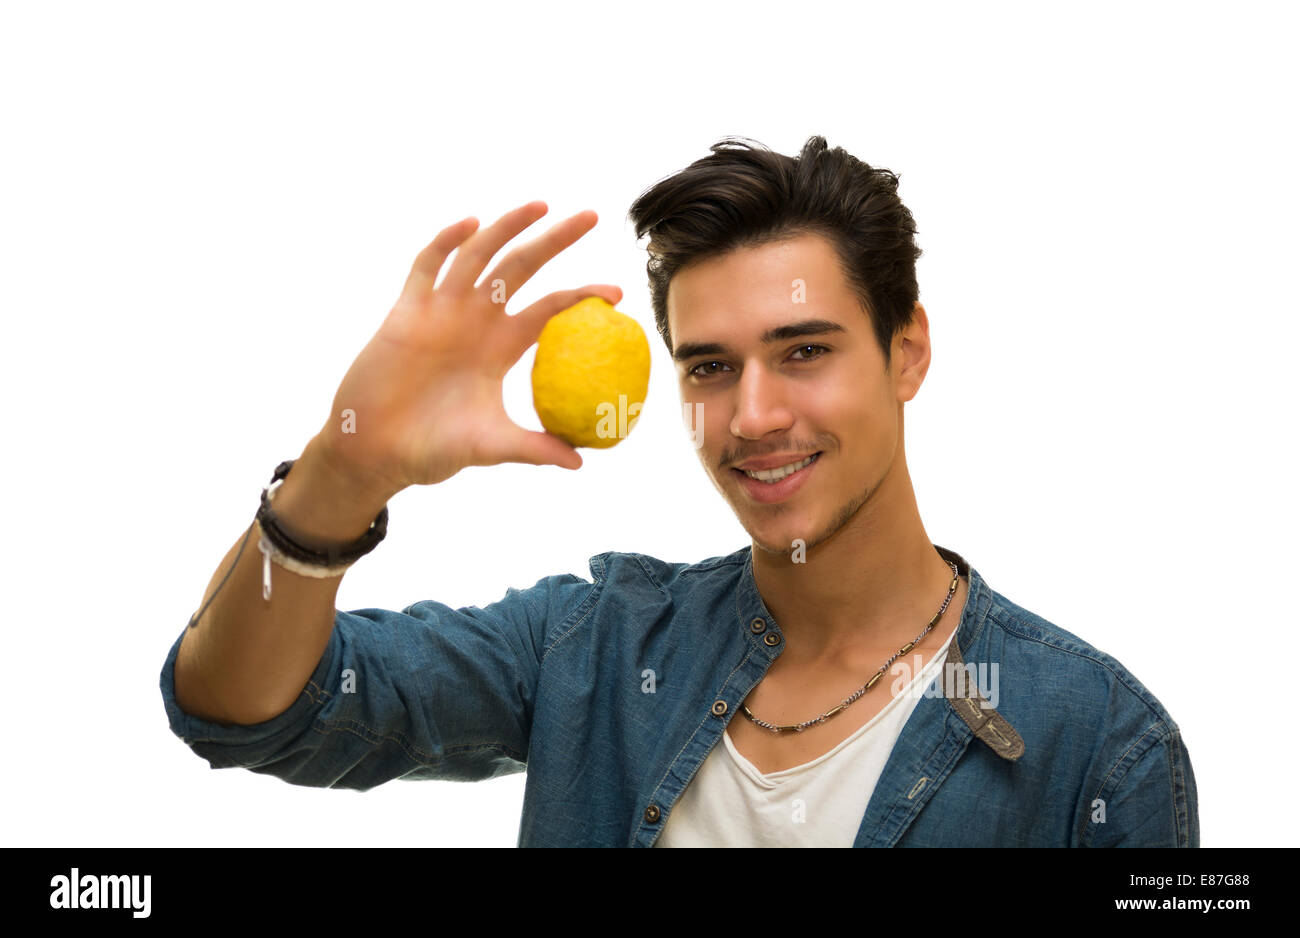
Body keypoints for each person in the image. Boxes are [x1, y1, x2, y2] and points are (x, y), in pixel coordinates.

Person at [160, 135, 1199, 847]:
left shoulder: (1096, 739)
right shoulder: (597, 648)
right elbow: (248, 708)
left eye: (802, 350)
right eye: (709, 366)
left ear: (907, 350)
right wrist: (344, 469)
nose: (750, 415)